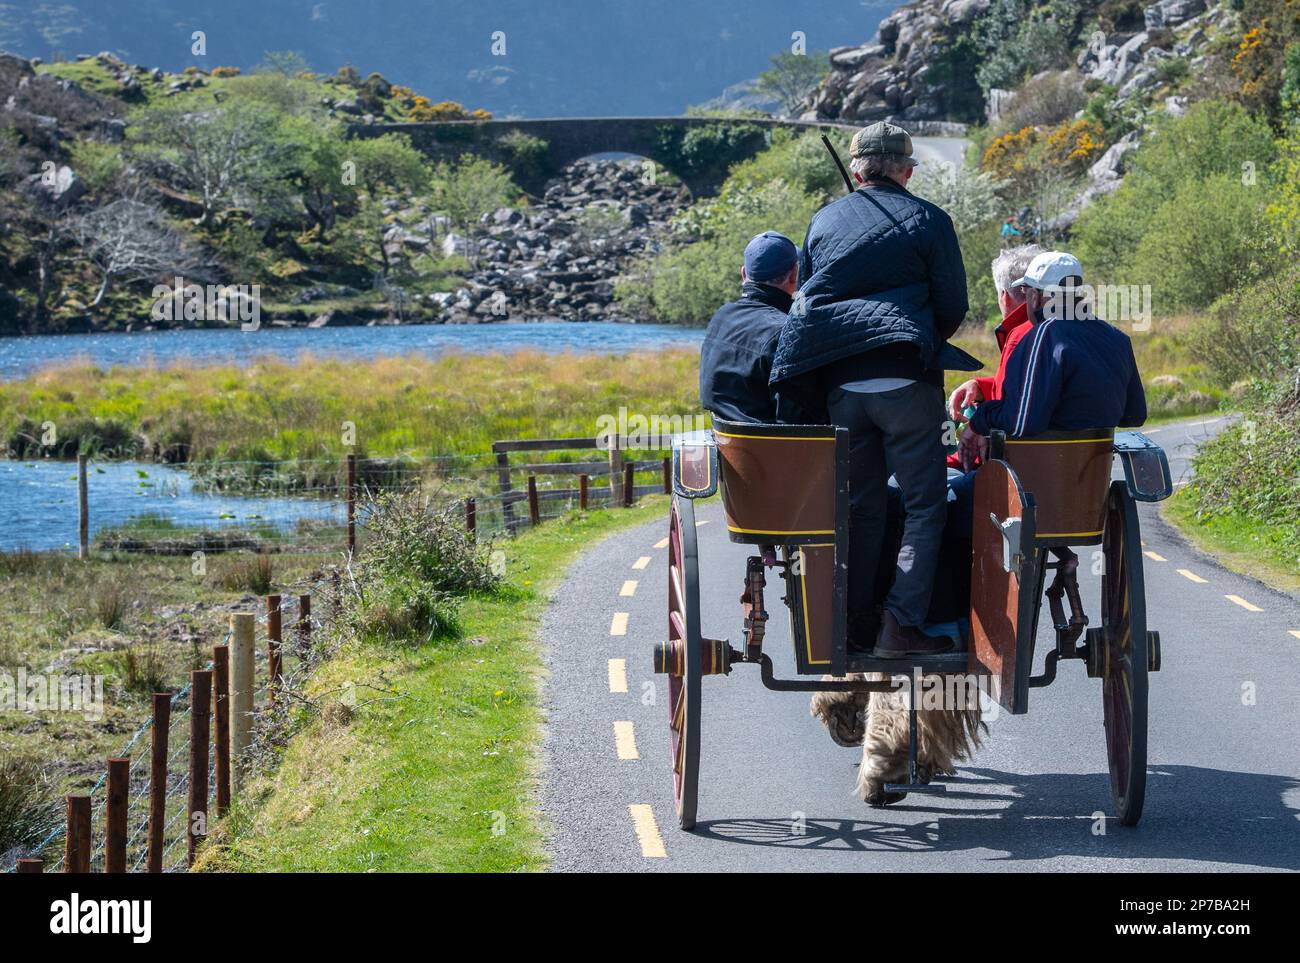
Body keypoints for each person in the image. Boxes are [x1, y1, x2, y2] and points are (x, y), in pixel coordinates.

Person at [769, 121, 972, 657]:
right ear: (906, 170)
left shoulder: (823, 222)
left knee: (861, 507)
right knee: (927, 505)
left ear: (857, 170)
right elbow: (952, 306)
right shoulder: (931, 220)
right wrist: (919, 344)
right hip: (906, 381)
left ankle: (854, 622)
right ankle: (900, 624)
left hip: (842, 389)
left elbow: (808, 300)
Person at [964, 251, 1147, 441]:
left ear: (1035, 296)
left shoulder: (1043, 335)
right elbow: (1134, 415)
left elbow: (1019, 424)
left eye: (1026, 293)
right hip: (1095, 468)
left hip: (1040, 467)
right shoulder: (1117, 337)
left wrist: (979, 418)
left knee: (957, 473)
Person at [946, 244, 1044, 472]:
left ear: (1004, 296)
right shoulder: (1071, 330)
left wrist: (978, 424)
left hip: (1015, 470)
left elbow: (1010, 407)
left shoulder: (1021, 335)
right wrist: (981, 386)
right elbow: (1029, 388)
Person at [698, 231, 800, 424]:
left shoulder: (722, 316)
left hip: (725, 440)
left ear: (744, 273)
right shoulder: (786, 332)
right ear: (794, 275)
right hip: (771, 449)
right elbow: (794, 419)